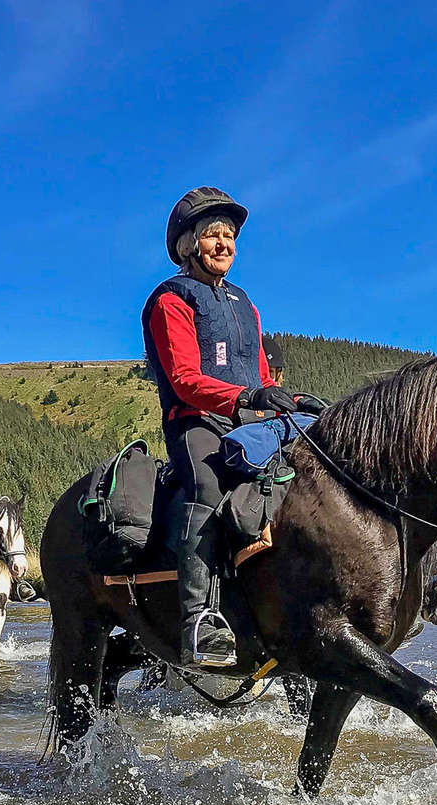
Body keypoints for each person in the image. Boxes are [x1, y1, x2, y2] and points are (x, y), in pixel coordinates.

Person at [142, 187, 324, 668]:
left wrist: (292, 400)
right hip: (196, 421)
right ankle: (199, 621)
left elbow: (261, 376)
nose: (224, 244)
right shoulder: (170, 299)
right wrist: (246, 397)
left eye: (230, 236)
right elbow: (184, 379)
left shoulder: (246, 304)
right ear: (188, 244)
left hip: (251, 423)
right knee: (206, 488)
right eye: (213, 235)